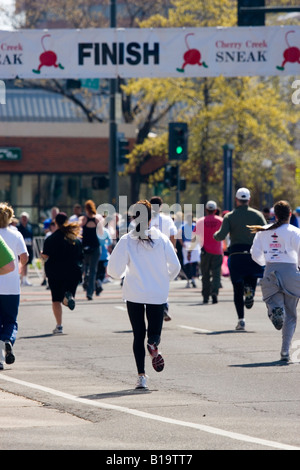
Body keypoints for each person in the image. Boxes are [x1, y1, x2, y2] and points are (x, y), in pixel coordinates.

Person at [107, 200, 181, 390]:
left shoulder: (127, 239)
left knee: (137, 335)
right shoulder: (162, 239)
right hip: (157, 292)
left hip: (134, 293)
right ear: (150, 218)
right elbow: (176, 266)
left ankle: (141, 377)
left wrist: (123, 275)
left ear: (133, 218)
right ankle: (154, 344)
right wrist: (165, 279)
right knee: (154, 332)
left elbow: (113, 270)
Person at [249, 200, 300, 362]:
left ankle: (276, 310)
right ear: (290, 215)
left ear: (274, 215)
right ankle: (285, 351)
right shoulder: (294, 231)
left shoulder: (263, 231)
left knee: (272, 299)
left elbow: (255, 254)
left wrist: (266, 264)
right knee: (291, 314)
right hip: (291, 271)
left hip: (271, 269)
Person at [213, 188, 266, 330]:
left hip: (236, 254)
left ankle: (241, 320)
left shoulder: (230, 216)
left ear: (236, 200)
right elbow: (265, 232)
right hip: (252, 253)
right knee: (252, 277)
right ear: (248, 200)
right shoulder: (258, 215)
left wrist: (215, 235)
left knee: (237, 288)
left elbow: (221, 235)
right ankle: (251, 292)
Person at [41, 212, 83, 335]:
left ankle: (59, 326)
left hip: (55, 272)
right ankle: (67, 298)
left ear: (56, 223)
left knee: (56, 300)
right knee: (66, 295)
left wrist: (42, 254)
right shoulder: (75, 239)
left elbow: (45, 255)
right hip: (73, 272)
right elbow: (81, 256)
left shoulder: (51, 238)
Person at [0, 203, 28, 370]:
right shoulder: (16, 234)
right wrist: (20, 266)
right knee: (10, 320)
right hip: (11, 285)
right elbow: (24, 257)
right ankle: (8, 340)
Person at [149, 196, 178, 321]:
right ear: (161, 206)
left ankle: (153, 306)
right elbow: (173, 235)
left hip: (149, 254)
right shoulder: (167, 219)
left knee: (150, 281)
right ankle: (164, 306)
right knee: (163, 281)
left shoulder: (146, 220)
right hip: (164, 253)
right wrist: (173, 249)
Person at [192, 200, 223, 304]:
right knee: (216, 274)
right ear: (215, 210)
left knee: (205, 274)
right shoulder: (220, 221)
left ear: (206, 210)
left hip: (205, 251)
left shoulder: (200, 221)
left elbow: (194, 236)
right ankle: (214, 292)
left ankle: (205, 296)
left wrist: (190, 250)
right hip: (217, 251)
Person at [79, 200, 103, 300]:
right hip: (95, 247)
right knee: (93, 271)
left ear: (85, 208)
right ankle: (90, 293)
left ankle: (85, 281)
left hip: (85, 247)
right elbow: (101, 233)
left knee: (83, 269)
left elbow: (77, 228)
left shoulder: (83, 219)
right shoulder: (97, 220)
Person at [177, 213, 200, 288]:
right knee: (194, 263)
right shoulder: (195, 225)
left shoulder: (183, 226)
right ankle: (192, 278)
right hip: (194, 244)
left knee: (187, 263)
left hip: (186, 244)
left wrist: (182, 243)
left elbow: (178, 235)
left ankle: (189, 279)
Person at [17, 212, 33, 286]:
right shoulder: (18, 227)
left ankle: (25, 279)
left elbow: (31, 236)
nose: (24, 219)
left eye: (25, 218)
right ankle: (20, 278)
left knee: (26, 263)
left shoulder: (29, 227)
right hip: (20, 247)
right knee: (20, 263)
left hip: (28, 247)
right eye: (23, 218)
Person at [95, 226, 112, 296]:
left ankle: (97, 283)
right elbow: (110, 241)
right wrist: (106, 245)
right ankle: (99, 281)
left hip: (95, 253)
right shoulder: (106, 231)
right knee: (102, 271)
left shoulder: (95, 230)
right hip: (104, 253)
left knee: (96, 271)